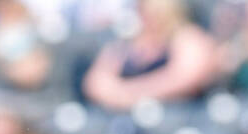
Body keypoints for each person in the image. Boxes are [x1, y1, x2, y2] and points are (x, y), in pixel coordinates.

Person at [82, 0, 218, 111]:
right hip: (125, 118)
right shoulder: (127, 42)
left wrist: (128, 95)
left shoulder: (187, 37)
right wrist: (126, 96)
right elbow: (95, 83)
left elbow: (185, 77)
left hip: (179, 116)